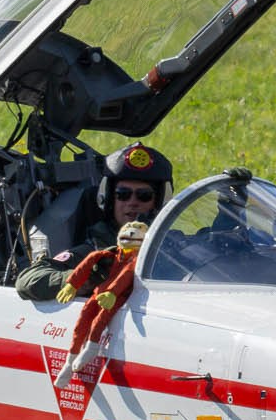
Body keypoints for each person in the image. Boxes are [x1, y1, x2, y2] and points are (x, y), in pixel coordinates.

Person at [13, 142, 173, 299]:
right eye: (122, 194)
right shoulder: (98, 249)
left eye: (144, 195)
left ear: (159, 202)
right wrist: (84, 277)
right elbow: (28, 279)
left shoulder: (174, 245)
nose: (132, 202)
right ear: (110, 199)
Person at [54, 220, 150, 385]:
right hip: (101, 292)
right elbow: (89, 260)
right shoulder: (111, 254)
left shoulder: (135, 260)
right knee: (82, 321)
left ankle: (91, 347)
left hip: (116, 295)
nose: (131, 232)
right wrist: (72, 284)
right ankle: (70, 360)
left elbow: (126, 274)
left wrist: (112, 293)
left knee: (99, 320)